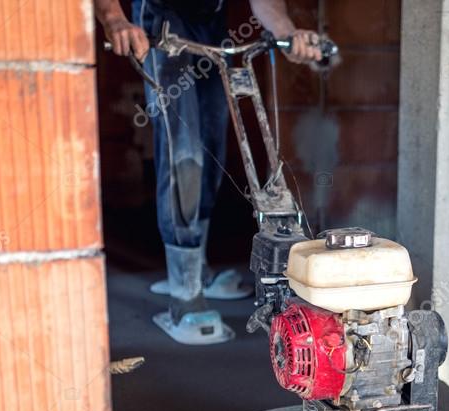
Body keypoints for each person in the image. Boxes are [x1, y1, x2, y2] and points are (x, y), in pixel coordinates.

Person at [96, 0, 322, 344]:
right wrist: (114, 18)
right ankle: (184, 293)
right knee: (183, 150)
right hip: (160, 20)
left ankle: (197, 269)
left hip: (211, 24)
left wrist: (286, 31)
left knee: (214, 144)